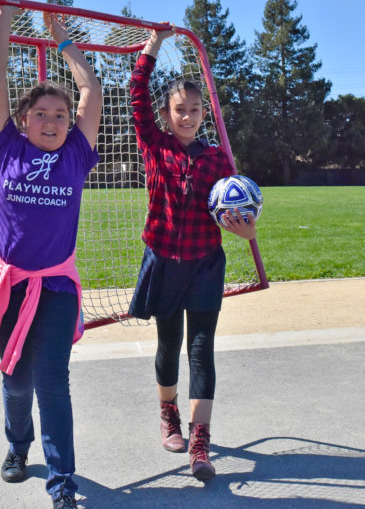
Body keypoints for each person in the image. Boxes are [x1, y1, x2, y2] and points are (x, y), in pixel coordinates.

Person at [0, 0, 101, 509]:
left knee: (52, 381)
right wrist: (5, 22)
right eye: (42, 113)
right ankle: (16, 444)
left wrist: (64, 39)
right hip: (10, 284)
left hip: (55, 287)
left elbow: (92, 87)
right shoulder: (6, 148)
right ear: (24, 119)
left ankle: (62, 484)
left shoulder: (76, 154)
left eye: (61, 114)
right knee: (16, 380)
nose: (52, 120)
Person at [128, 25, 257, 481]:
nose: (188, 117)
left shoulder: (219, 160)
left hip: (204, 263)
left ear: (205, 112)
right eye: (179, 110)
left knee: (201, 349)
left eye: (195, 110)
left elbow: (231, 213)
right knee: (168, 344)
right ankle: (169, 416)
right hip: (164, 261)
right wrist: (153, 46)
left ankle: (199, 442)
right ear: (166, 114)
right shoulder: (155, 144)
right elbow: (136, 93)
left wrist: (246, 230)